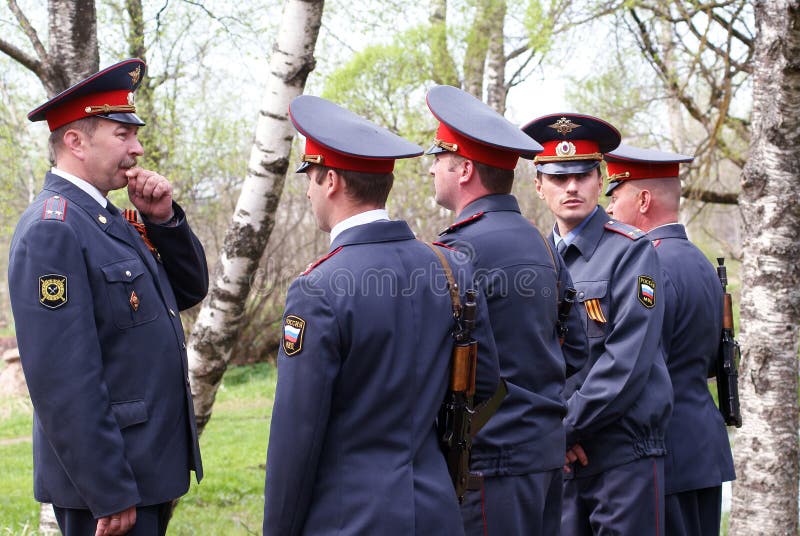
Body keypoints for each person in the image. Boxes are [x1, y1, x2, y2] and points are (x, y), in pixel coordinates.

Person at [262, 95, 501, 536]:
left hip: (348, 516)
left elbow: (297, 433)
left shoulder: (318, 287)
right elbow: (485, 384)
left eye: (311, 179)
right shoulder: (450, 267)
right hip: (436, 508)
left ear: (331, 180)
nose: (310, 192)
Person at [8, 59, 208, 536]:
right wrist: (107, 488)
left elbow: (186, 291)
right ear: (75, 141)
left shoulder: (107, 218)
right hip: (112, 485)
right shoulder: (52, 230)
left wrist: (163, 220)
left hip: (145, 469)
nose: (137, 148)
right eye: (122, 135)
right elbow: (62, 379)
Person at [425, 85, 587, 536]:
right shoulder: (541, 243)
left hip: (489, 462)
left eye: (440, 156)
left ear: (465, 169)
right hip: (543, 457)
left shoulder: (455, 250)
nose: (433, 167)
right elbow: (576, 349)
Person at [523, 113, 673, 535]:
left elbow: (627, 361)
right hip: (561, 459)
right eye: (557, 177)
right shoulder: (533, 257)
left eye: (583, 174)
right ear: (538, 185)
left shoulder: (632, 251)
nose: (571, 187)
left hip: (622, 456)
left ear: (600, 178)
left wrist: (563, 428)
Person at [605, 144, 735, 536]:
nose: (609, 209)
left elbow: (639, 361)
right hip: (702, 446)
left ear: (643, 200)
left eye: (616, 195)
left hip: (662, 451)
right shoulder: (700, 260)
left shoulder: (649, 264)